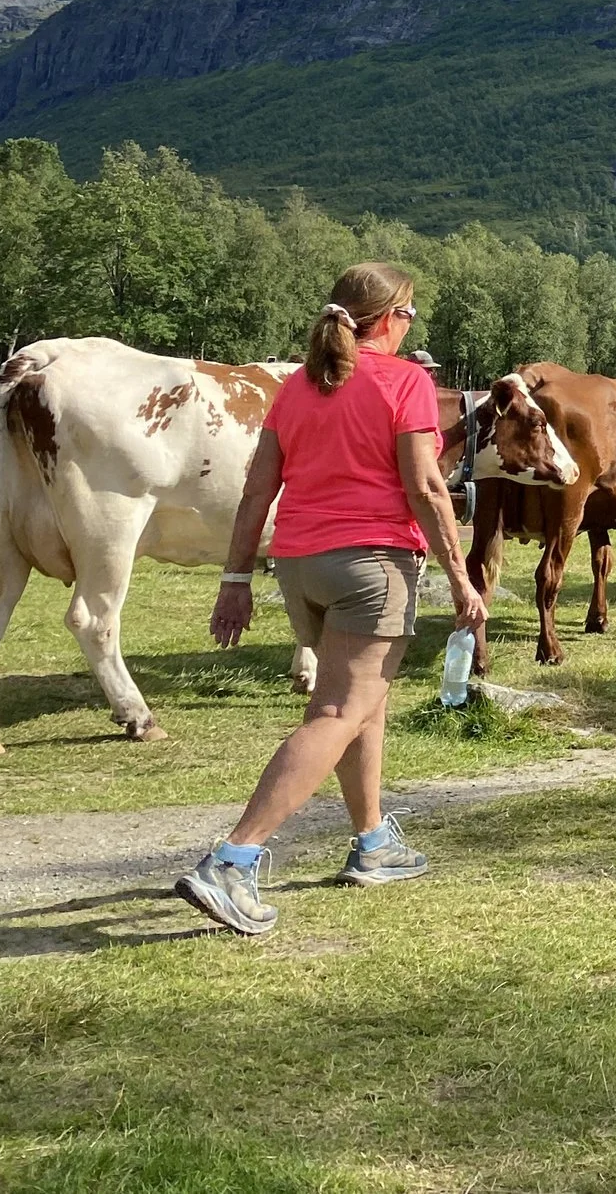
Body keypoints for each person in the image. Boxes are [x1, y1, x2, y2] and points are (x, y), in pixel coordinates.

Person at [175, 262, 488, 938]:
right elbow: (428, 489)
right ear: (387, 318)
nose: (411, 327)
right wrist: (461, 578)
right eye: (409, 315)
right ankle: (233, 858)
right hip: (372, 566)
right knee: (341, 709)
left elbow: (257, 490)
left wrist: (235, 580)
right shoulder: (407, 382)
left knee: (356, 703)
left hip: (300, 565)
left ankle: (373, 840)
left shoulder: (297, 389)